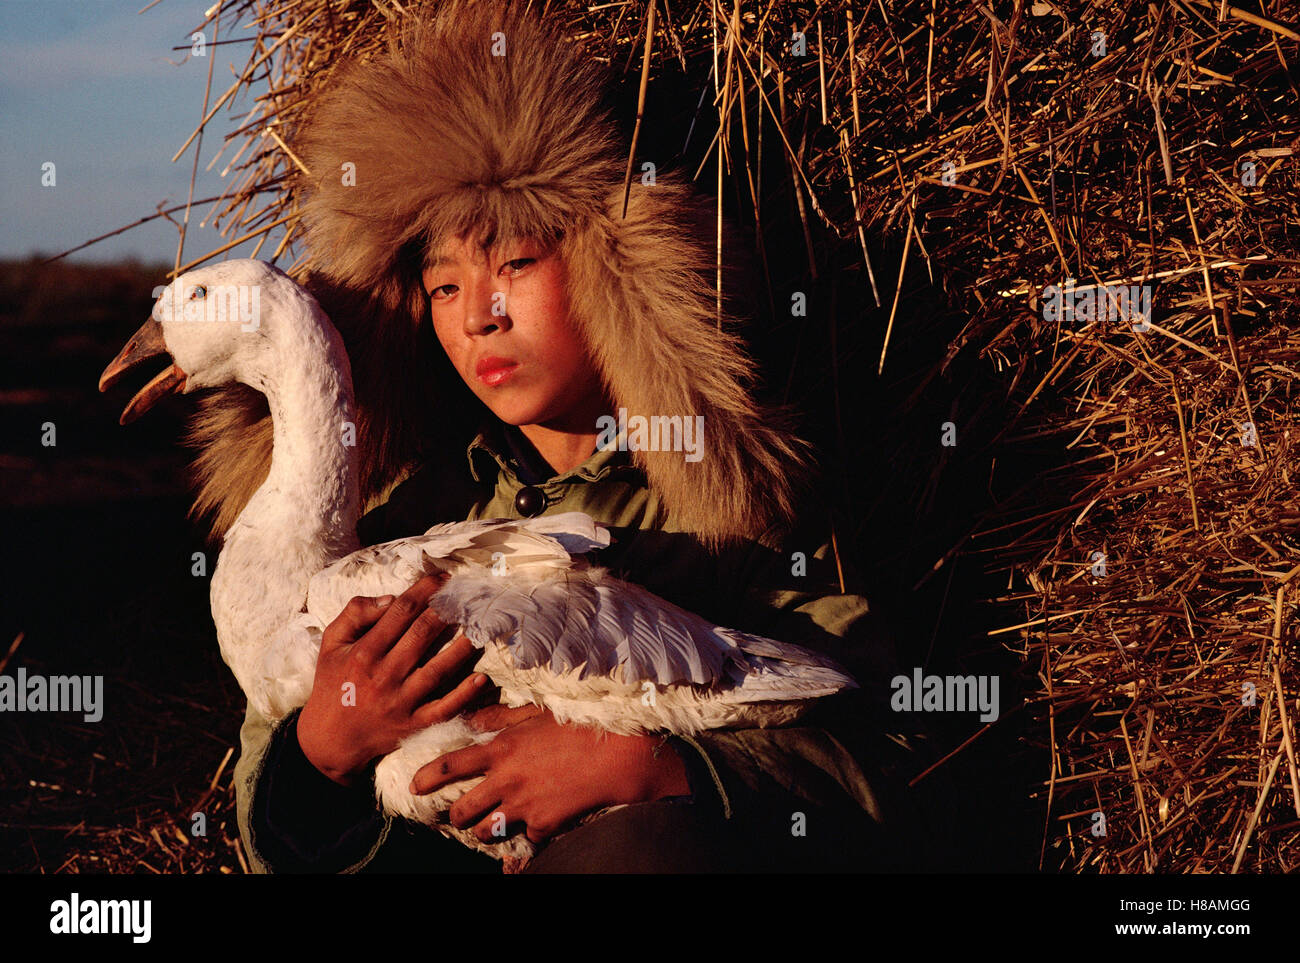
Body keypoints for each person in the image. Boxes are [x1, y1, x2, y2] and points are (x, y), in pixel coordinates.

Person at [192, 0, 924, 872]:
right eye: (444, 286)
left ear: (612, 266)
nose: (482, 318)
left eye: (517, 265)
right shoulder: (391, 520)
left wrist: (657, 764)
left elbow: (892, 757)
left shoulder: (735, 504)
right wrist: (321, 755)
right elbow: (261, 818)